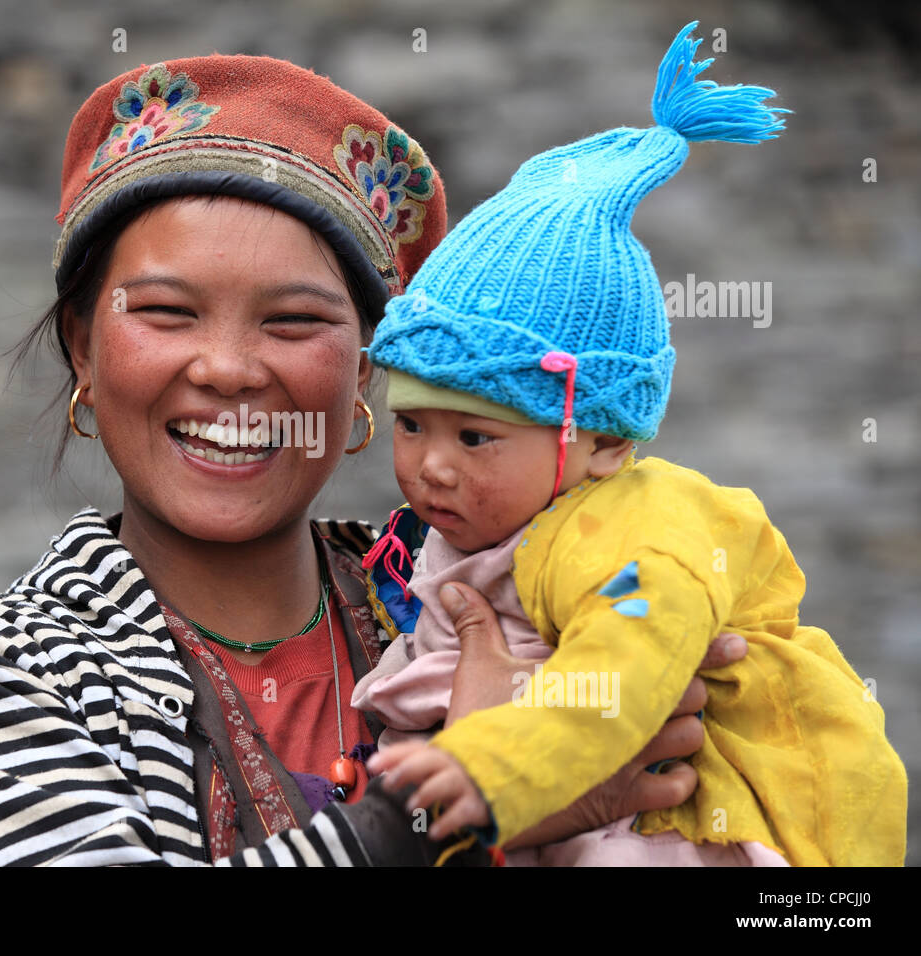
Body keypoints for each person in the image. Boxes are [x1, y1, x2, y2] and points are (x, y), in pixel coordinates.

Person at [0, 51, 750, 866]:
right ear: (84, 352)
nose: (229, 370)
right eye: (167, 312)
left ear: (367, 373)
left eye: (294, 323)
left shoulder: (506, 599)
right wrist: (460, 799)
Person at [355, 23, 908, 866]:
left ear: (605, 442)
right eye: (410, 424)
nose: (431, 465)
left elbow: (622, 669)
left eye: (476, 435)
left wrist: (493, 765)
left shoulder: (639, 531)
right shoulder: (468, 532)